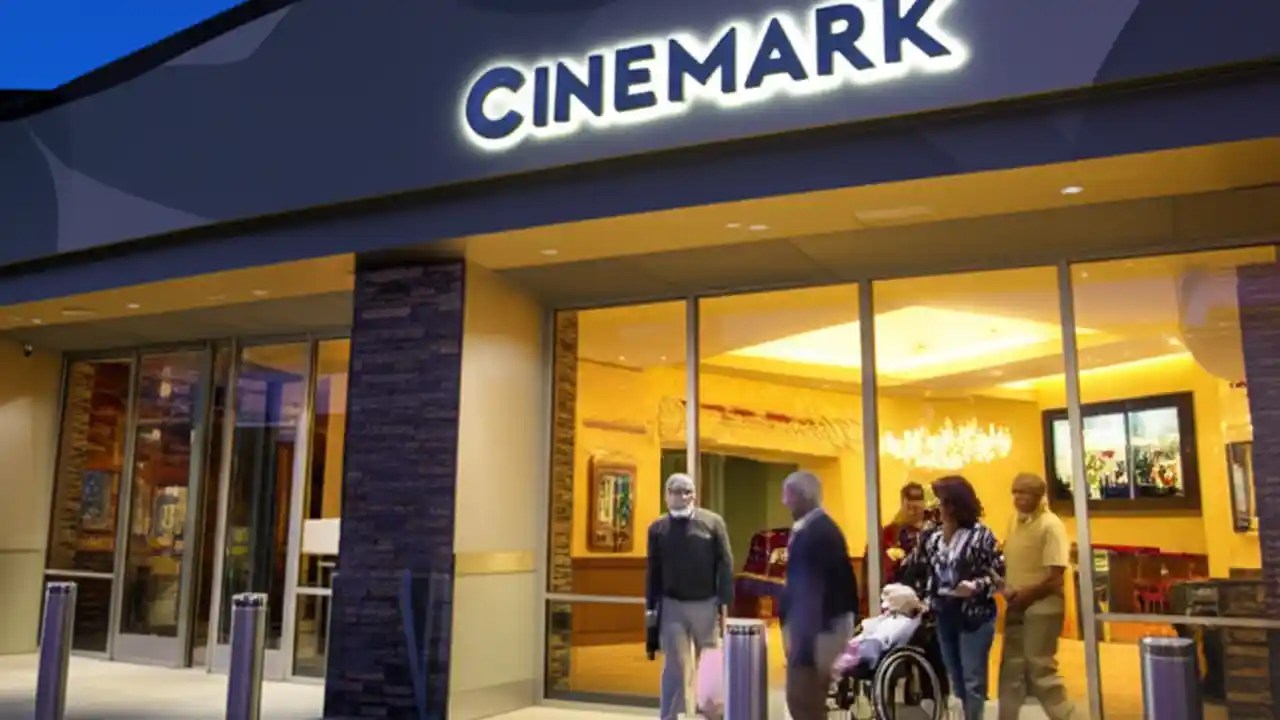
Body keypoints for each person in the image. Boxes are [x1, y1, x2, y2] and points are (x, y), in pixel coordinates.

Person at [901, 475, 1004, 720]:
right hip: (943, 615)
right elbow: (918, 569)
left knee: (972, 681)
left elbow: (999, 576)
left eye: (943, 502)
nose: (937, 507)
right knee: (956, 680)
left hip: (974, 616)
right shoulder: (932, 537)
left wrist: (976, 585)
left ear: (956, 504)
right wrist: (921, 597)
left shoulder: (981, 535)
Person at [645, 473, 734, 720]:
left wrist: (724, 600)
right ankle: (670, 716)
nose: (682, 496)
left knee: (711, 666)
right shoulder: (657, 528)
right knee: (676, 667)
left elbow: (725, 562)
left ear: (694, 494)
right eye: (675, 491)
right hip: (672, 606)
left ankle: (715, 715)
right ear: (666, 495)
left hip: (706, 604)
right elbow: (653, 569)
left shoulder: (712, 522)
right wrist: (651, 607)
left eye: (687, 491)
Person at [779, 470, 858, 720]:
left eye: (789, 495)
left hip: (819, 631)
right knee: (809, 701)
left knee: (803, 698)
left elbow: (810, 593)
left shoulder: (815, 535)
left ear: (804, 496)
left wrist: (801, 646)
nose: (785, 501)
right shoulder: (820, 529)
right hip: (823, 628)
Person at [998, 473, 1077, 720]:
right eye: (1016, 492)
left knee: (1040, 670)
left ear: (1039, 496)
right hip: (1017, 605)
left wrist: (1026, 596)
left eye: (1025, 492)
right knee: (1011, 671)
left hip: (1042, 607)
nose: (1019, 498)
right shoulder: (1014, 521)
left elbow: (1055, 577)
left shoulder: (1050, 525)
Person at [879, 481, 928, 586]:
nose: (913, 512)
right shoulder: (890, 532)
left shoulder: (932, 533)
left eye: (917, 508)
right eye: (909, 508)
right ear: (902, 505)